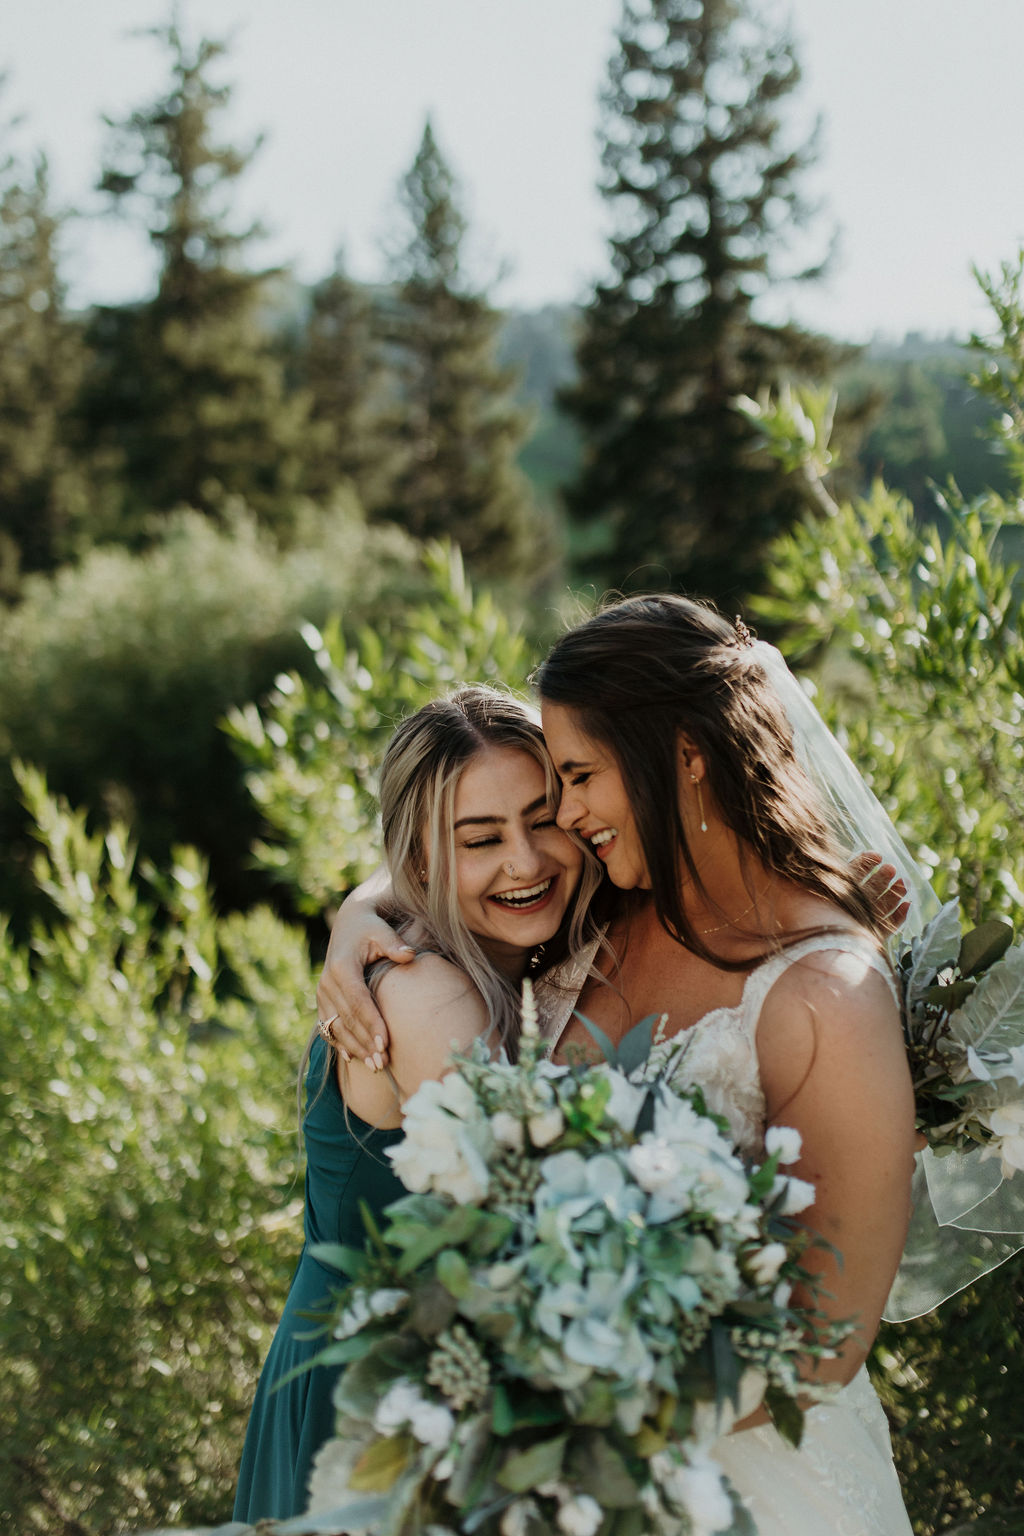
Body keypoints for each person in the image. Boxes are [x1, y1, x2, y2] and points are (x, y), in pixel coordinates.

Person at [320, 595, 919, 1536]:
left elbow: (825, 1338)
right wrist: (355, 914)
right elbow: (453, 852)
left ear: (685, 755)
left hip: (753, 1485)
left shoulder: (826, 994)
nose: (564, 815)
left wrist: (573, 1416)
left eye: (578, 777)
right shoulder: (604, 909)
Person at [233, 686, 603, 1523]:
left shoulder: (491, 957)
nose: (525, 862)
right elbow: (514, 1242)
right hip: (384, 1406)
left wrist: (360, 904)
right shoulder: (428, 995)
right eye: (482, 839)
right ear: (424, 862)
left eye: (543, 820)